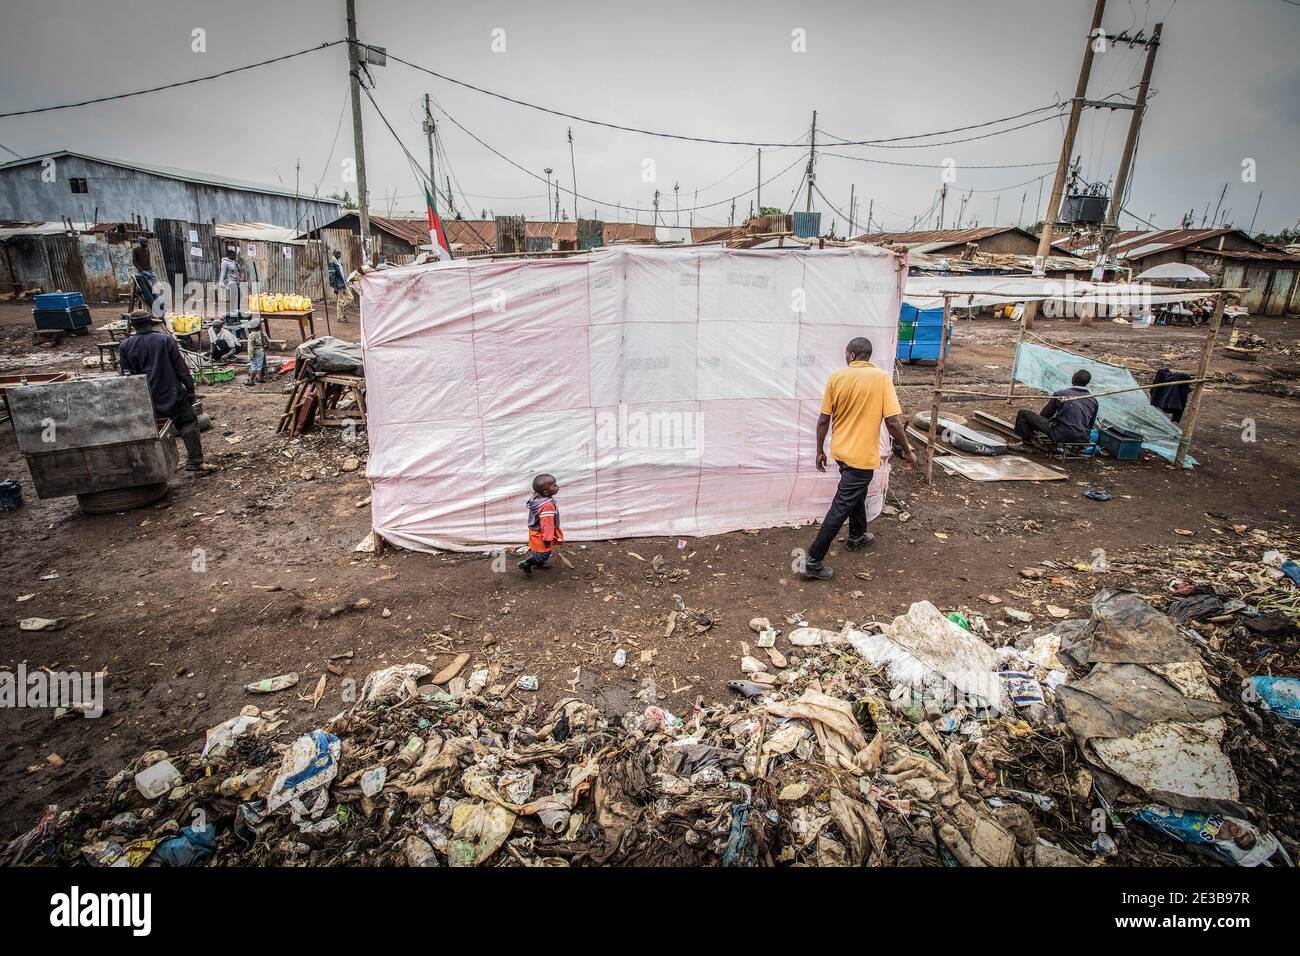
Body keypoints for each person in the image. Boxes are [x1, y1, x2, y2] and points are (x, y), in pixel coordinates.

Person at [802, 337, 915, 581]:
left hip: (842, 452)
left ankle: (857, 535)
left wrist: (819, 450)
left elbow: (824, 419)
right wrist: (907, 449)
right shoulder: (881, 379)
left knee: (856, 493)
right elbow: (893, 421)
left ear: (851, 355)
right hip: (862, 457)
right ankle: (813, 560)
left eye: (846, 354)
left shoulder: (837, 377)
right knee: (841, 505)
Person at [118, 308, 211, 472]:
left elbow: (127, 378)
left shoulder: (125, 346)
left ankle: (161, 466)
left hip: (146, 397)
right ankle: (195, 462)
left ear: (133, 326)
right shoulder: (165, 340)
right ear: (150, 323)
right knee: (188, 423)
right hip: (172, 393)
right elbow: (181, 369)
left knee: (156, 432)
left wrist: (135, 401)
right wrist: (190, 391)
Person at [1014, 370, 1099, 445]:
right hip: (1082, 438)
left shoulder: (1061, 394)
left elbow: (1045, 414)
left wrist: (1036, 426)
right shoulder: (1093, 400)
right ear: (1087, 383)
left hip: (1061, 434)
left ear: (1073, 379)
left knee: (1023, 413)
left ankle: (1026, 444)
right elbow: (1090, 424)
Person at [518, 473, 563, 577]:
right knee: (543, 554)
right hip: (541, 533)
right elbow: (547, 524)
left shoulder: (537, 497)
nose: (558, 487)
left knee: (540, 551)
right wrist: (547, 539)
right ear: (546, 492)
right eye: (554, 485)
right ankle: (526, 564)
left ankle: (539, 564)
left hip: (535, 530)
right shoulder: (546, 506)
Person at [132, 237, 163, 317]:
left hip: (149, 270)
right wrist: (142, 271)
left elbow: (148, 261)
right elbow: (134, 262)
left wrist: (151, 271)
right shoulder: (136, 250)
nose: (146, 244)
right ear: (141, 243)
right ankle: (151, 306)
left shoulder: (147, 250)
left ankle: (159, 303)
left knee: (157, 287)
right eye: (145, 243)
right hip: (142, 272)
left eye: (147, 243)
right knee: (146, 290)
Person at [328, 249, 352, 321]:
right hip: (338, 285)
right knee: (340, 301)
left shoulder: (339, 263)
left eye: (340, 253)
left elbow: (342, 274)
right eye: (337, 253)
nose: (339, 255)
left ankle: (341, 312)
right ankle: (340, 317)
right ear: (334, 254)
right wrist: (334, 287)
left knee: (350, 298)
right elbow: (331, 275)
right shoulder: (332, 263)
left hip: (344, 283)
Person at [245, 316, 269, 385]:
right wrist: (266, 348)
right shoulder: (262, 333)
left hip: (255, 351)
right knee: (260, 366)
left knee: (254, 367)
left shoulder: (251, 335)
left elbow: (250, 346)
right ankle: (260, 378)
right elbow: (268, 341)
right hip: (261, 351)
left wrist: (250, 355)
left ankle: (252, 381)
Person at [218, 247, 243, 313]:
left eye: (235, 255)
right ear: (229, 255)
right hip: (230, 281)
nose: (234, 257)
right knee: (235, 295)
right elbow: (222, 272)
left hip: (236, 281)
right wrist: (221, 281)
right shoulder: (225, 263)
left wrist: (238, 266)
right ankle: (233, 310)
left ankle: (237, 309)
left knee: (239, 295)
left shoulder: (233, 262)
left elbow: (237, 271)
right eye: (233, 255)